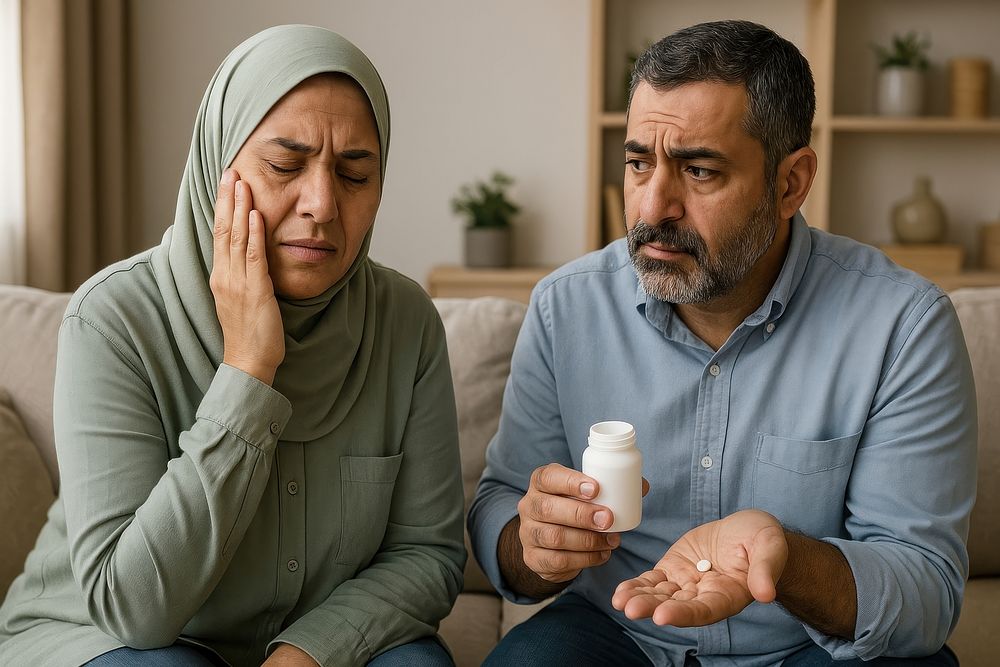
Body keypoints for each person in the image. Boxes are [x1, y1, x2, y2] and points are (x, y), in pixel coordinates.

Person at [468, 20, 976, 667]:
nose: (654, 206)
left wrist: (785, 558)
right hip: (616, 634)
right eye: (636, 162)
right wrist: (532, 540)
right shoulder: (565, 308)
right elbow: (499, 508)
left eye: (699, 170)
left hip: (807, 644)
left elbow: (925, 587)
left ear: (790, 183)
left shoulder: (904, 325)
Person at [0, 25, 465, 667]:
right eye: (284, 166)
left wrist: (312, 650)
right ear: (218, 166)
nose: (322, 205)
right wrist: (248, 371)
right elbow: (134, 608)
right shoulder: (114, 318)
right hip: (111, 639)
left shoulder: (405, 322)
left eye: (355, 174)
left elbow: (428, 553)